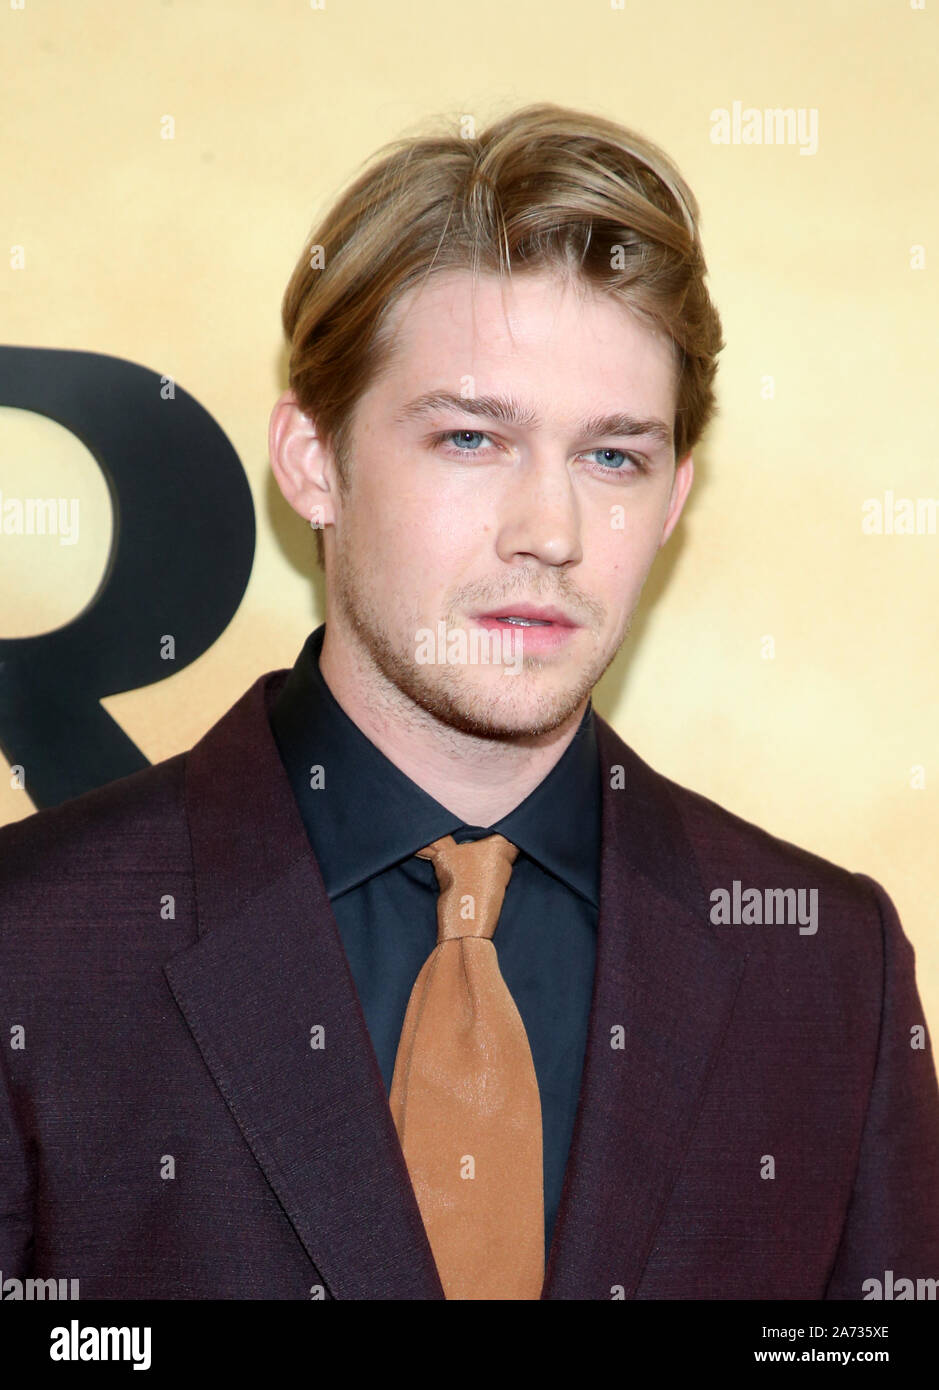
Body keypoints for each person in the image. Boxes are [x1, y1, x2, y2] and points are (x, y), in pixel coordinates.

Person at [1, 103, 937, 1301]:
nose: (548, 532)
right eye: (470, 438)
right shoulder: (31, 948)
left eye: (612, 456)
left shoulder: (827, 967)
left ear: (672, 496)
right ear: (312, 460)